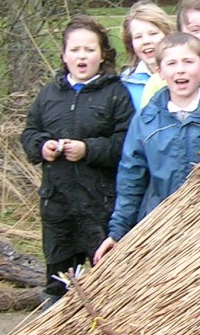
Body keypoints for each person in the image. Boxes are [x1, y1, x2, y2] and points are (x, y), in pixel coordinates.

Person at [94, 31, 200, 335]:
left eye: (188, 61)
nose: (180, 69)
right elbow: (131, 176)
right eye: (171, 63)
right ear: (159, 70)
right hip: (157, 228)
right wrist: (117, 232)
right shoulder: (148, 118)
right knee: (160, 305)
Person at [22, 16, 135, 306]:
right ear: (63, 55)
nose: (82, 56)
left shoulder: (116, 93)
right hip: (57, 203)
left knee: (106, 278)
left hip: (100, 203)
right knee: (59, 279)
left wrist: (88, 149)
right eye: (75, 50)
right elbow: (30, 132)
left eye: (89, 49)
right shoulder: (50, 93)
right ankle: (55, 330)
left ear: (103, 55)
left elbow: (126, 143)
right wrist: (41, 146)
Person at [119, 0, 175, 110]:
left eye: (153, 34)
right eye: (138, 37)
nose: (146, 41)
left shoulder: (186, 75)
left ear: (168, 34)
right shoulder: (126, 83)